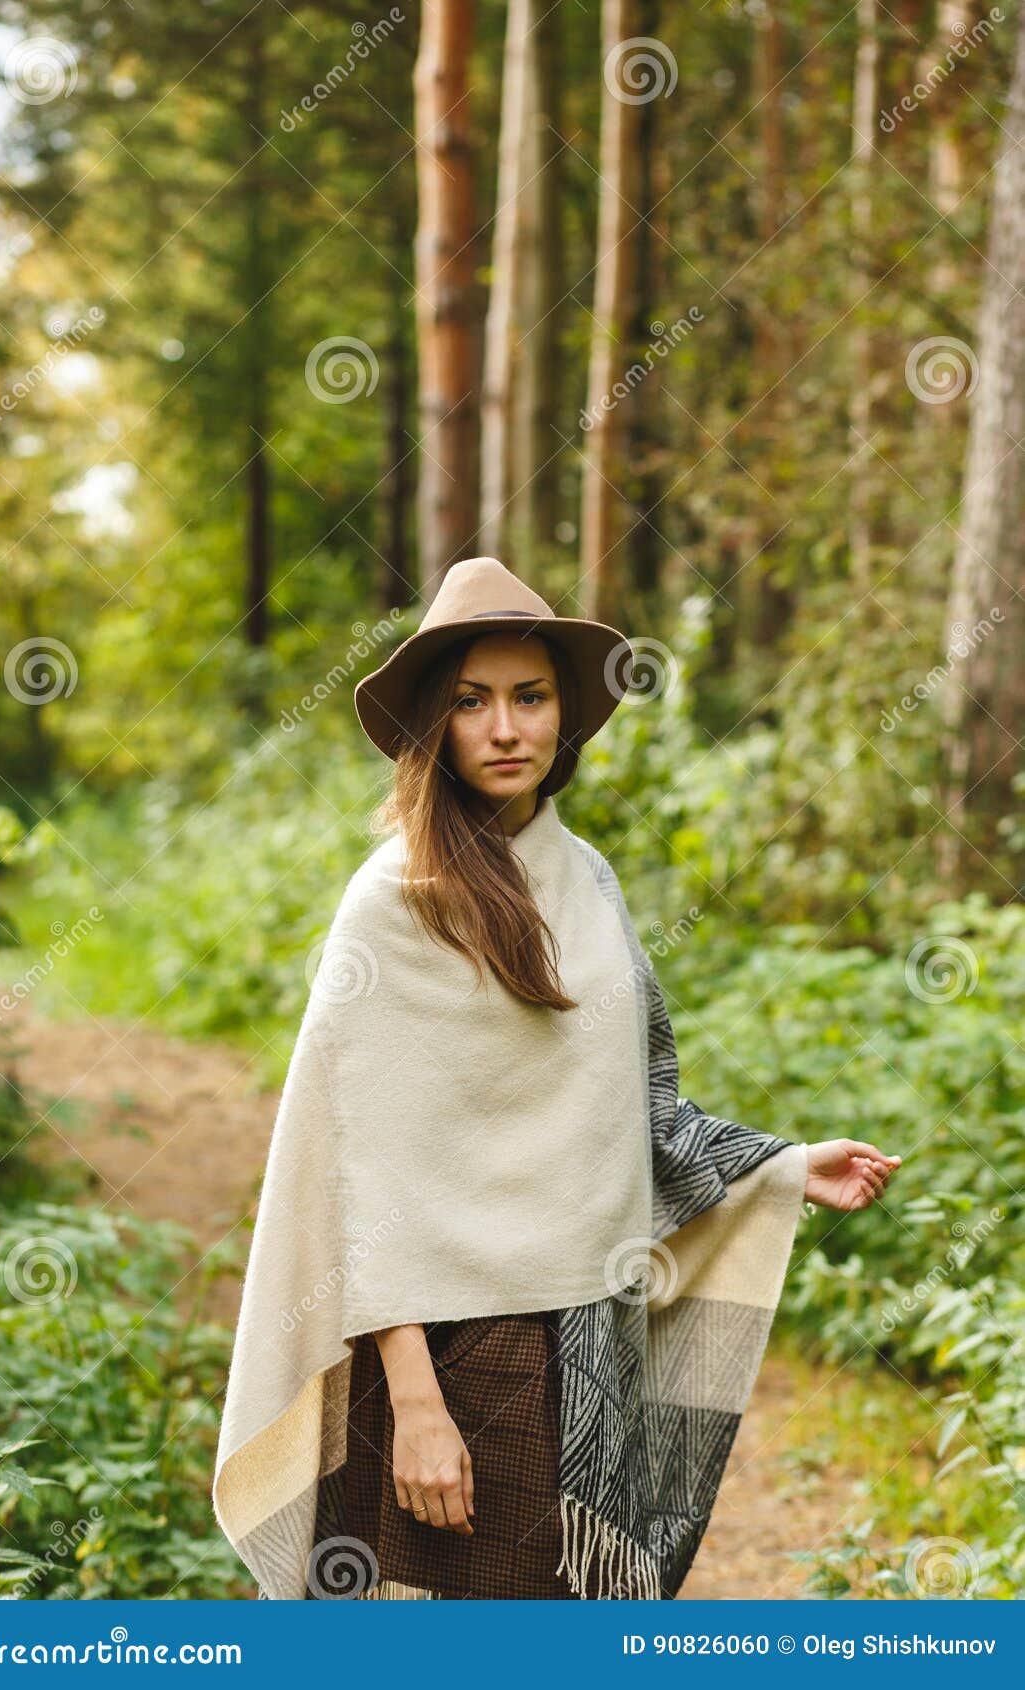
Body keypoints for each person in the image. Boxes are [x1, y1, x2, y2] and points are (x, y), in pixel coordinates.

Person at [212, 556, 901, 1602]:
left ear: (563, 715)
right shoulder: (394, 901)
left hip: (587, 1343)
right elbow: (364, 1174)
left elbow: (635, 1106)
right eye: (470, 701)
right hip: (450, 1351)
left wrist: (780, 1169)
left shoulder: (585, 879)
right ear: (433, 726)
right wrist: (417, 1404)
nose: (504, 728)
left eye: (529, 697)